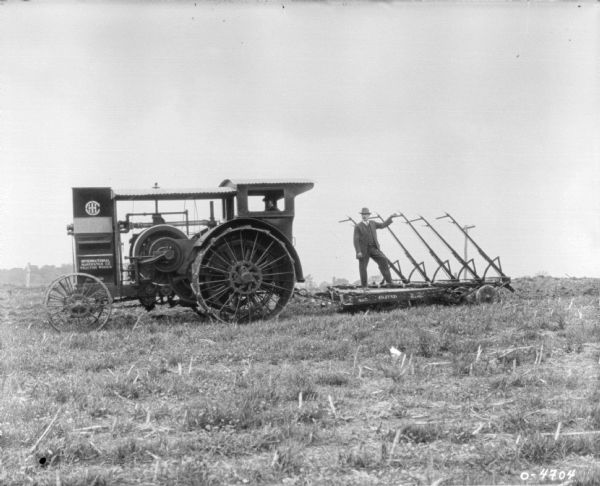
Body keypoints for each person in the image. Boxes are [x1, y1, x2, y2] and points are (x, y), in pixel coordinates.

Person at [353, 208, 399, 287]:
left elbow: (382, 225)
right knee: (363, 267)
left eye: (366, 214)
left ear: (369, 215)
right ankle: (364, 286)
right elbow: (355, 240)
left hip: (373, 248)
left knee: (383, 260)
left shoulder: (373, 223)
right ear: (361, 216)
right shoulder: (358, 226)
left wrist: (391, 217)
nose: (364, 216)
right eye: (363, 215)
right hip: (363, 250)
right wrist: (358, 251)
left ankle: (389, 282)